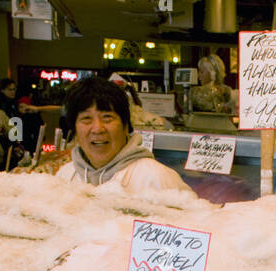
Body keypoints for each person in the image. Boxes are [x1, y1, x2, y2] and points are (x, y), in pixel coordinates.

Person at [55, 77, 192, 194]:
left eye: (107, 117)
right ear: (75, 129)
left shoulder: (157, 179)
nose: (97, 129)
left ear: (126, 127)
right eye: (86, 119)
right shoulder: (64, 176)